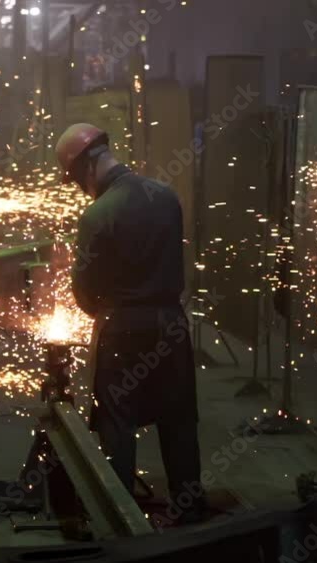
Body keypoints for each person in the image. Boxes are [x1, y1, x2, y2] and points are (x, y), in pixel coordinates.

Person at [57, 123, 206, 523]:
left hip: (121, 329)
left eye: (76, 181)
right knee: (178, 419)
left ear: (87, 168)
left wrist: (106, 311)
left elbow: (84, 292)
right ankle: (189, 510)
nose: (80, 189)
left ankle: (122, 517)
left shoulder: (98, 215)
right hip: (171, 326)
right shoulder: (166, 197)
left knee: (117, 423)